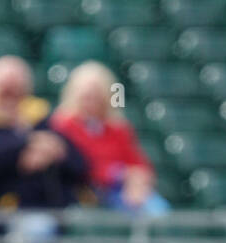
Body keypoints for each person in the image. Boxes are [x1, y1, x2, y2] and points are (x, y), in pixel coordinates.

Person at [0, 55, 89, 243]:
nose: (10, 95)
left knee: (36, 230)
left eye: (16, 89)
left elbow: (80, 166)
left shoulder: (42, 120)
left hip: (35, 211)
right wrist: (22, 146)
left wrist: (57, 152)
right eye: (5, 89)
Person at [51, 61, 168, 214]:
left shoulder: (118, 127)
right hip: (83, 192)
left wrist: (137, 181)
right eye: (87, 97)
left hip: (121, 192)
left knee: (156, 209)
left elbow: (139, 164)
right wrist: (120, 175)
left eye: (96, 97)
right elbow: (75, 167)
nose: (91, 103)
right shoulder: (62, 126)